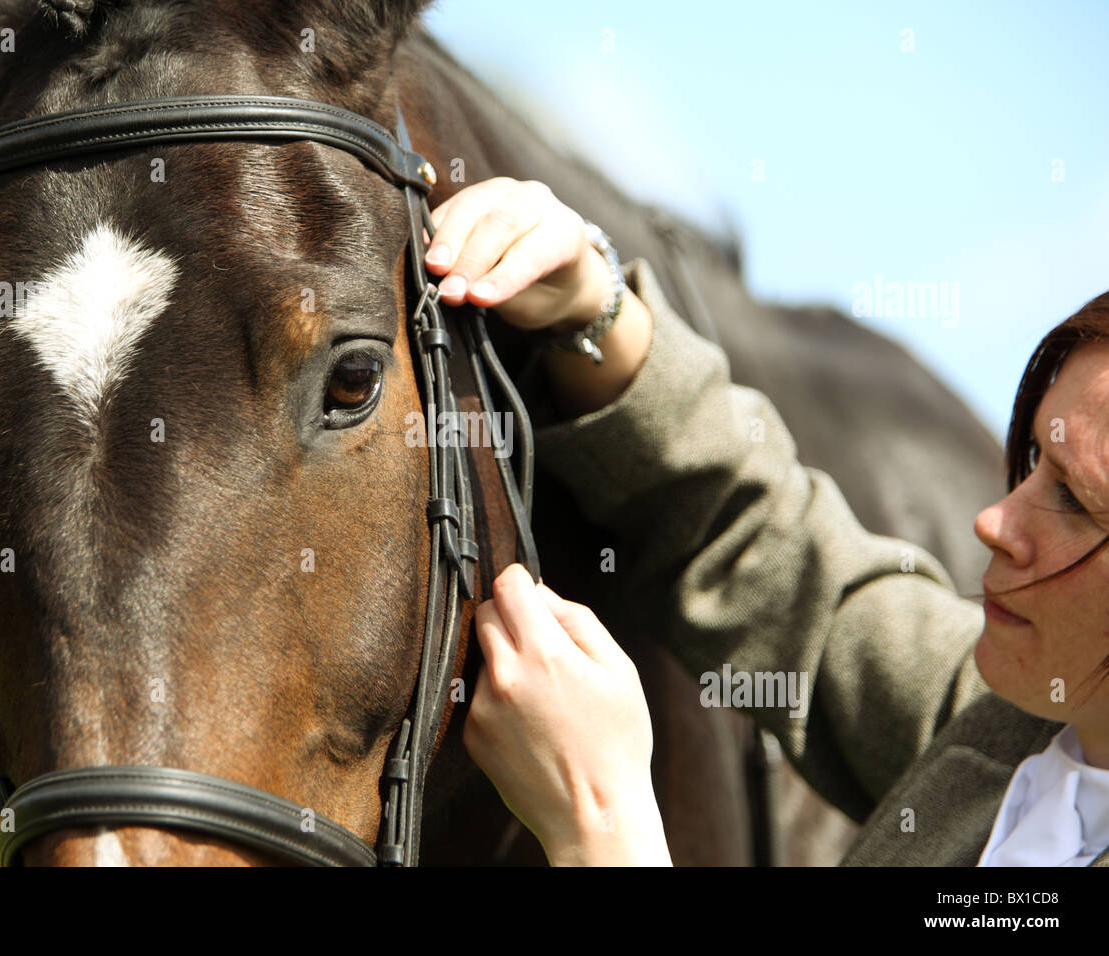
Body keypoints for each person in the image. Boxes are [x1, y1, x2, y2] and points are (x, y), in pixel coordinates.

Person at [421, 177, 1109, 867]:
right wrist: (592, 308)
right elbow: (769, 554)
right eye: (1034, 465)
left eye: (1075, 501)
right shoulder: (1010, 730)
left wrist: (600, 825)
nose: (994, 522)